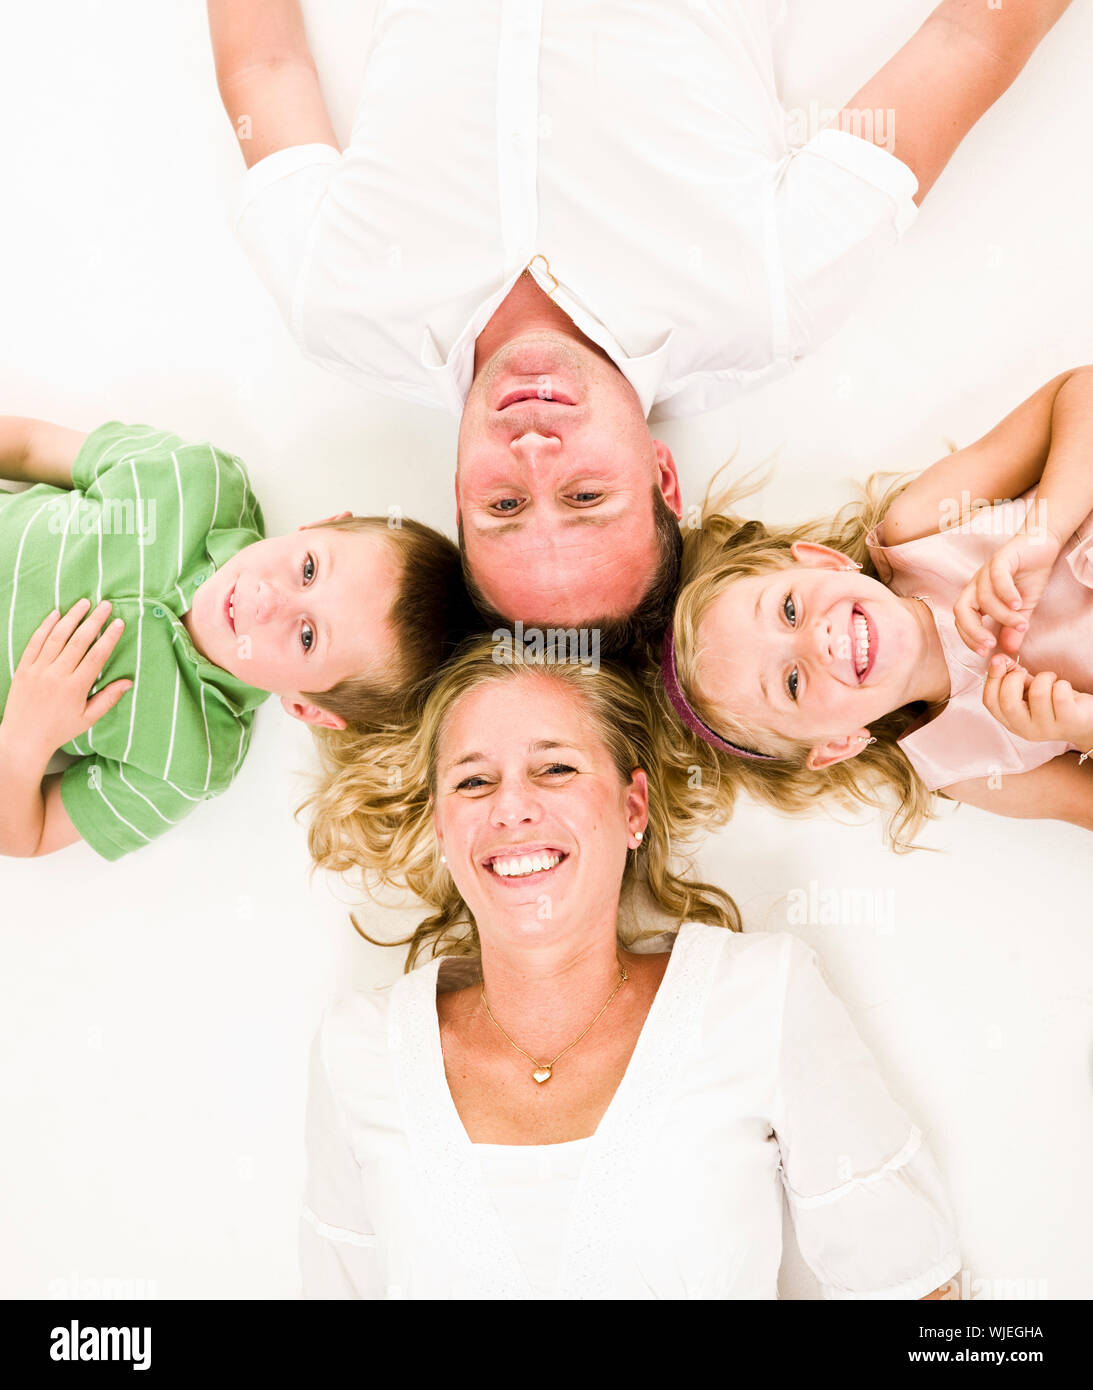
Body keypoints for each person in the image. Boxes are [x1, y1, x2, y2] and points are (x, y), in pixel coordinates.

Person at [207, 0, 1073, 644]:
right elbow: (972, 35)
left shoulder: (337, 305)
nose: (535, 451)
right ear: (662, 478)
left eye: (503, 503)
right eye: (586, 496)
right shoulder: (765, 301)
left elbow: (265, 69)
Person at [300, 638, 959, 1298]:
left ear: (631, 807)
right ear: (443, 832)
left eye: (555, 769)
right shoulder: (358, 1048)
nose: (511, 807)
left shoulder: (760, 995)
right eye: (473, 781)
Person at [0, 416, 474, 859]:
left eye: (307, 637)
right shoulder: (198, 481)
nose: (270, 600)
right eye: (308, 569)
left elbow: (29, 834)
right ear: (321, 525)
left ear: (308, 707)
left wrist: (24, 741)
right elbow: (28, 448)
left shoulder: (191, 757)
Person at [658, 368, 1093, 847]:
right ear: (836, 744)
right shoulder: (964, 764)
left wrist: (1045, 532)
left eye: (788, 611)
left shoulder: (924, 528)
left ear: (827, 562)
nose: (816, 640)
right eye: (793, 683)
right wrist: (1084, 729)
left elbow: (1082, 390)